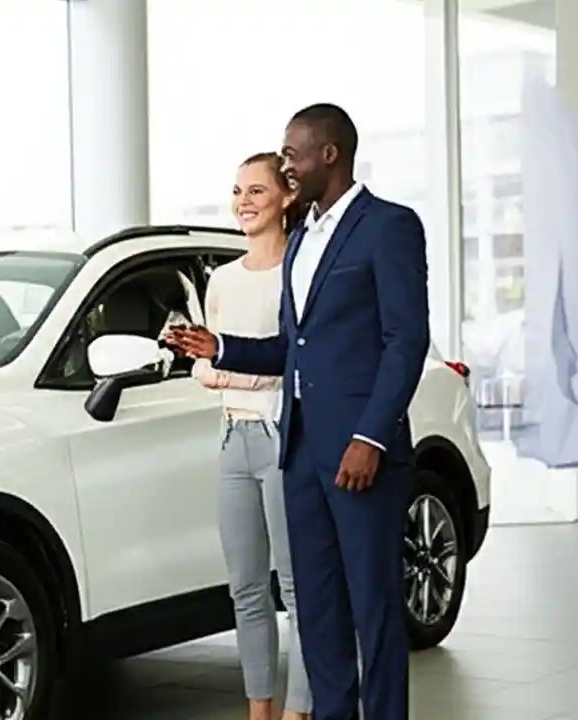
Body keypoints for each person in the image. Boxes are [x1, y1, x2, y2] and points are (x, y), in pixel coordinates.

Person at [166, 103, 429, 720]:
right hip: (302, 450)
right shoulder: (304, 240)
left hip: (360, 451)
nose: (287, 164)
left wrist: (372, 436)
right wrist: (220, 346)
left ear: (329, 154)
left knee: (374, 608)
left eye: (293, 154)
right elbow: (294, 345)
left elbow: (405, 340)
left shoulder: (388, 226)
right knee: (316, 607)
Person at [192, 152, 311, 720]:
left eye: (256, 190)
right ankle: (259, 709)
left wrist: (224, 368)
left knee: (297, 587)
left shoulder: (301, 271)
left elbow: (291, 361)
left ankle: (300, 710)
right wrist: (220, 368)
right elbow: (201, 369)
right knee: (245, 587)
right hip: (231, 438)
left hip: (281, 434)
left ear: (287, 196)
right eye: (237, 190)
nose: (243, 201)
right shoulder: (221, 280)